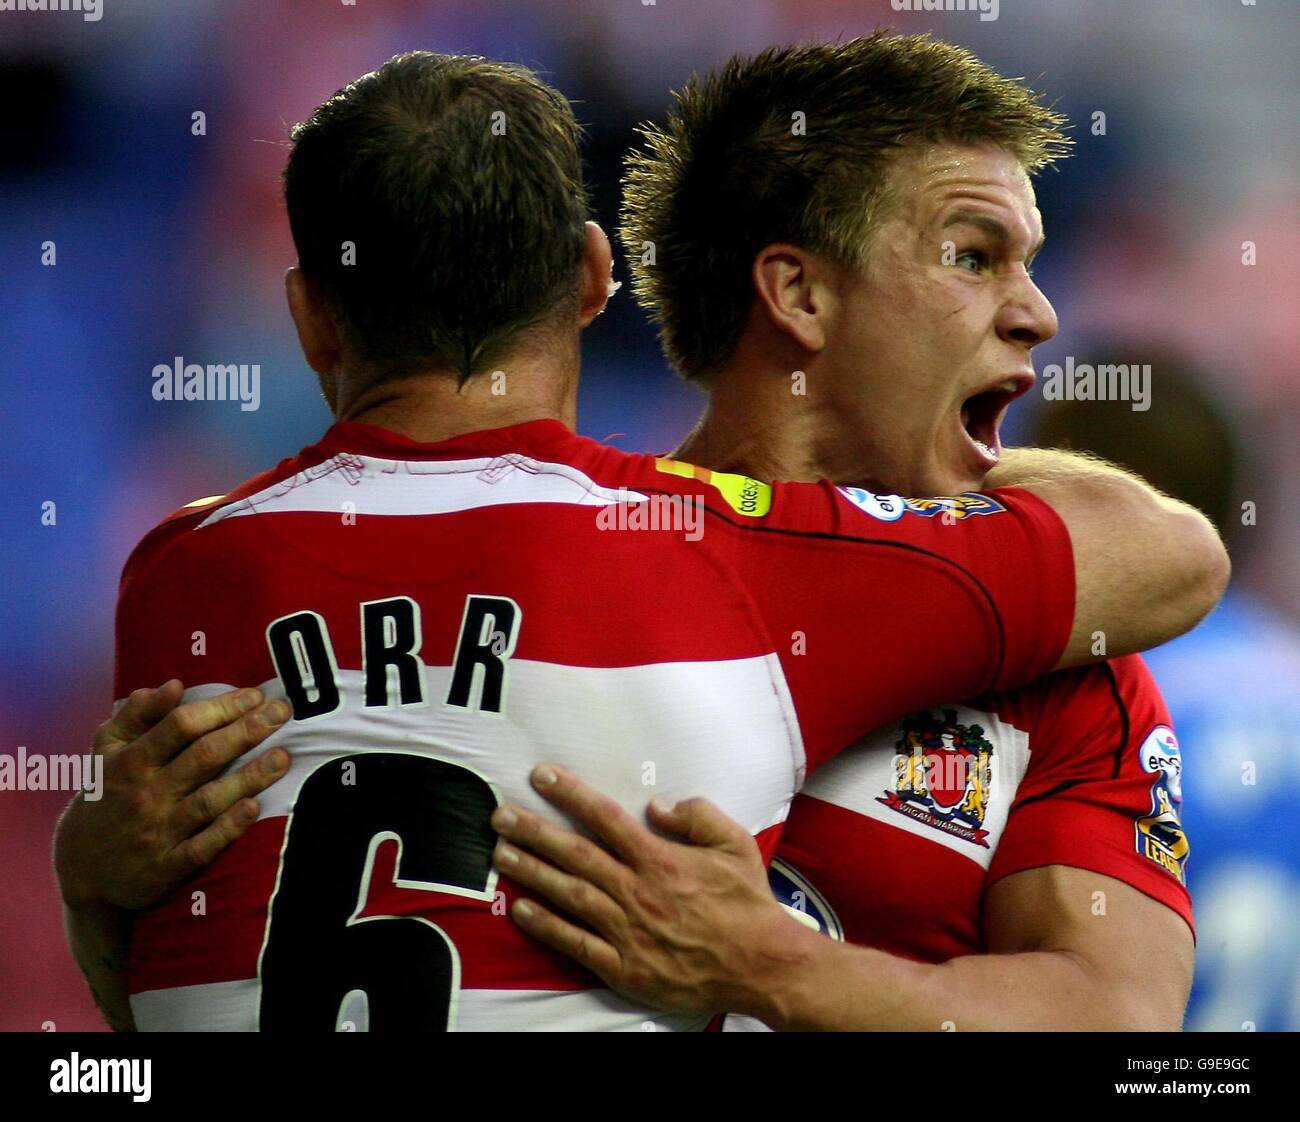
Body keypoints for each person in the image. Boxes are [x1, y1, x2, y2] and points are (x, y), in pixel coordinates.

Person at [55, 40, 1226, 1032]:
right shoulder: (671, 565)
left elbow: (1126, 1032)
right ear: (796, 295)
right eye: (973, 256)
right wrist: (98, 887)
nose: (1039, 311)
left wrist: (781, 969)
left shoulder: (1062, 665)